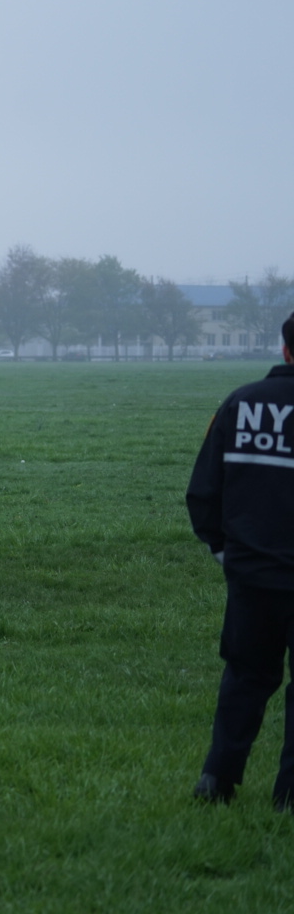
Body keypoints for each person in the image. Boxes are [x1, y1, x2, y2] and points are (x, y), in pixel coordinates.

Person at [187, 311, 294, 808]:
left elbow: (204, 491)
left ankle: (216, 779)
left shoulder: (241, 403)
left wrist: (226, 552)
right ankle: (288, 797)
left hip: (250, 574)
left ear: (285, 350)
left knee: (246, 677)